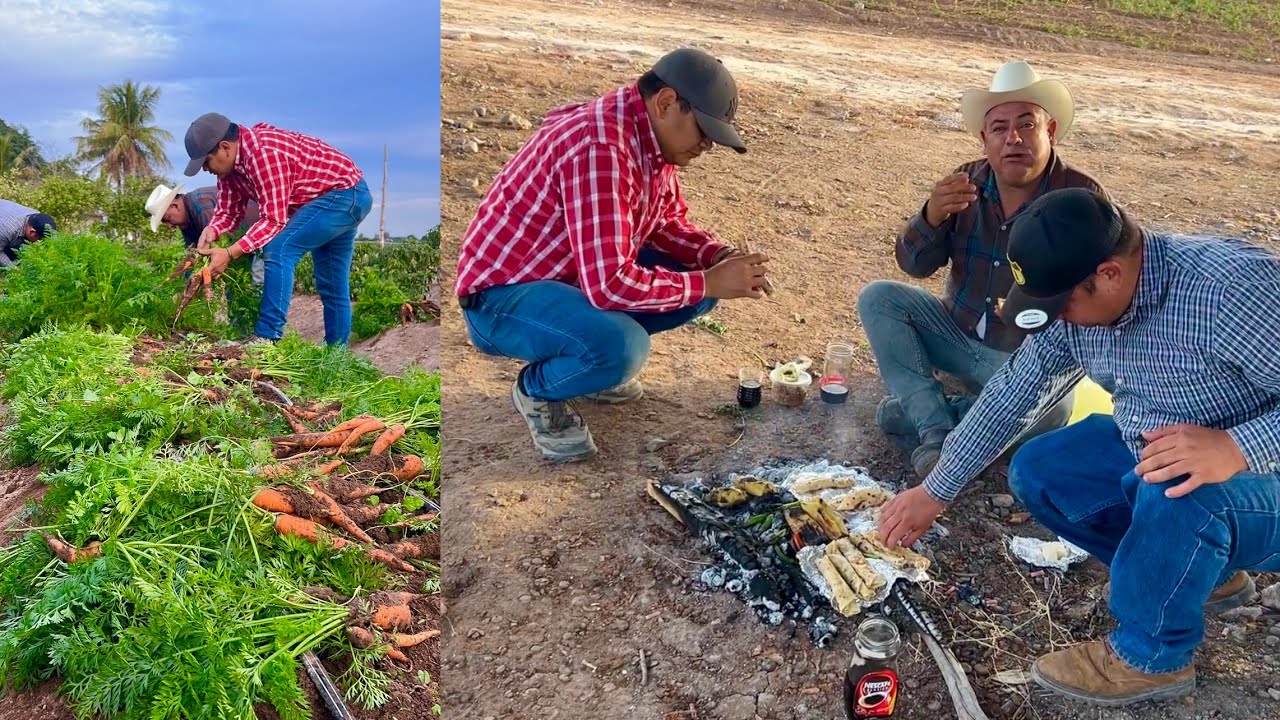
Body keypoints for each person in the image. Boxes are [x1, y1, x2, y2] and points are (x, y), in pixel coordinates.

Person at [879, 188, 1280, 706]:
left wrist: (1236, 446)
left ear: (1109, 274)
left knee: (1179, 486)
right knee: (1040, 470)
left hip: (1260, 478)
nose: (1056, 318)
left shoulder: (1230, 292)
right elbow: (1012, 393)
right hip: (1163, 449)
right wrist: (936, 490)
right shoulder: (1074, 308)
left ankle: (1151, 657)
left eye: (1061, 303)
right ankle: (1205, 574)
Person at [455, 47, 769, 463]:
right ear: (666, 103)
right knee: (623, 347)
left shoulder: (650, 137)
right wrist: (709, 281)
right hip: (500, 300)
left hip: (567, 278)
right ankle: (537, 390)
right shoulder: (600, 146)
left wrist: (716, 257)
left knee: (699, 279)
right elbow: (609, 285)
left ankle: (586, 367)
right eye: (704, 131)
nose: (708, 145)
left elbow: (664, 223)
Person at [856, 60, 1108, 478]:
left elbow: (1103, 294)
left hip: (1027, 360)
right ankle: (937, 429)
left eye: (1027, 125)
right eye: (999, 128)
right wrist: (930, 217)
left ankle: (928, 415)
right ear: (983, 138)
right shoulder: (966, 182)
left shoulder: (1081, 198)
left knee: (1056, 409)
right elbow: (914, 266)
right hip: (955, 334)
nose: (1013, 139)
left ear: (1050, 131)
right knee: (879, 298)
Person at [180, 112, 371, 345]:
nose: (206, 170)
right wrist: (212, 230)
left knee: (280, 249)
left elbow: (273, 220)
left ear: (225, 147)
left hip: (345, 194)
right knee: (331, 284)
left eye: (206, 162)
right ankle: (335, 361)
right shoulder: (229, 171)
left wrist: (229, 253)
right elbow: (228, 213)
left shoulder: (264, 154)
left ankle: (267, 338)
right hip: (324, 201)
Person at [145, 183, 265, 286]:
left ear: (175, 206)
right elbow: (193, 254)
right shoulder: (186, 222)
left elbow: (216, 247)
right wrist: (185, 281)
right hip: (243, 242)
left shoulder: (199, 203)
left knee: (259, 280)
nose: (170, 226)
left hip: (264, 233)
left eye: (167, 219)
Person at [0, 198, 56, 267]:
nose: (39, 243)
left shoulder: (36, 216)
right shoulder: (7, 230)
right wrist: (14, 269)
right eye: (39, 240)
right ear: (32, 232)